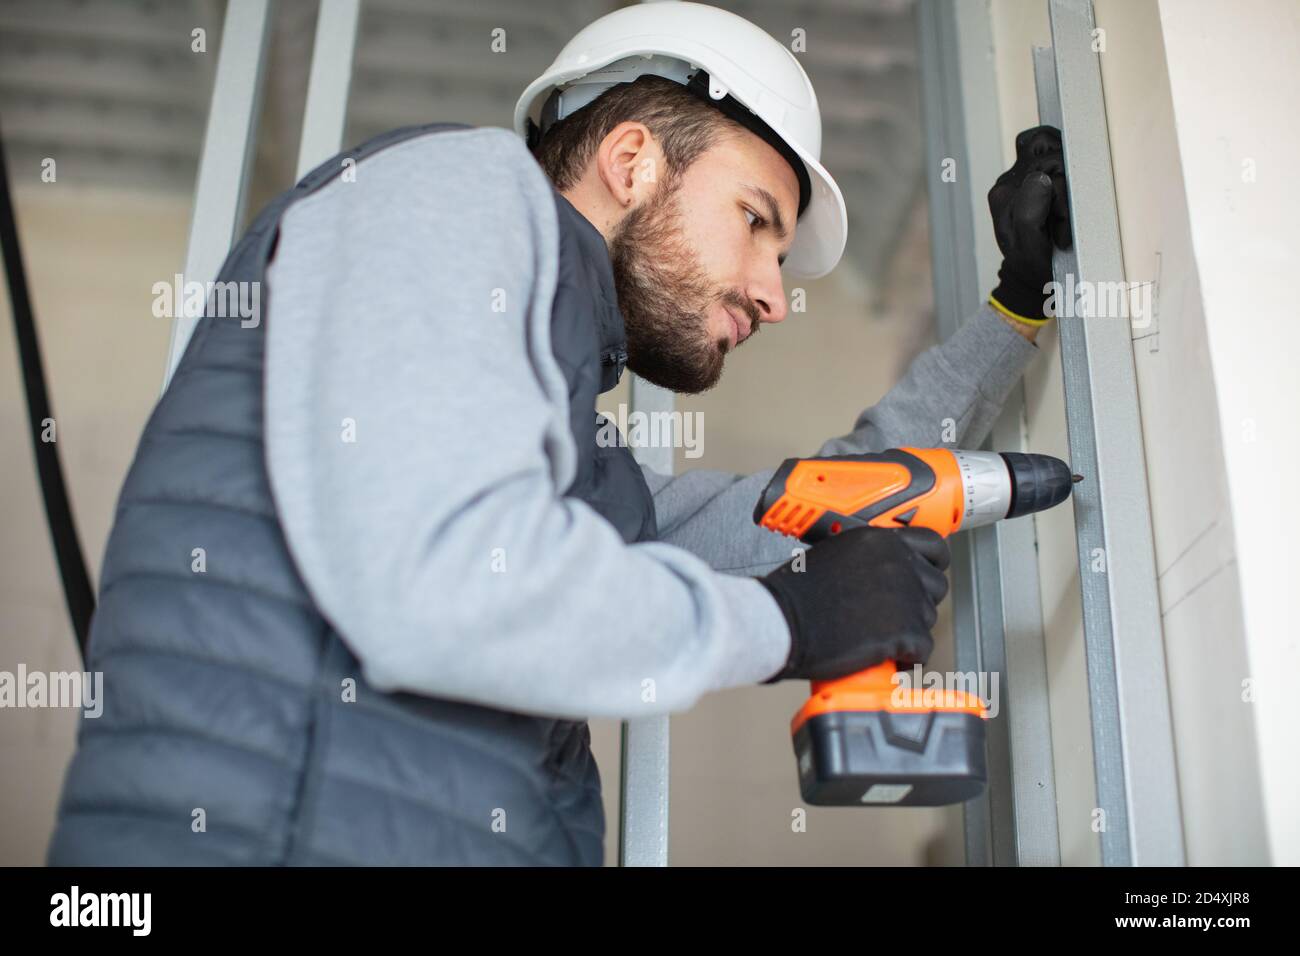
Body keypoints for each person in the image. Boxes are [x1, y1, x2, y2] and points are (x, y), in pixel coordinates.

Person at [48, 2, 1070, 865]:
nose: (772, 292)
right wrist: (791, 626)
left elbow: (824, 499)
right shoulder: (455, 186)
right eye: (756, 220)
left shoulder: (570, 463)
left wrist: (1013, 305)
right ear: (632, 160)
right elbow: (445, 575)